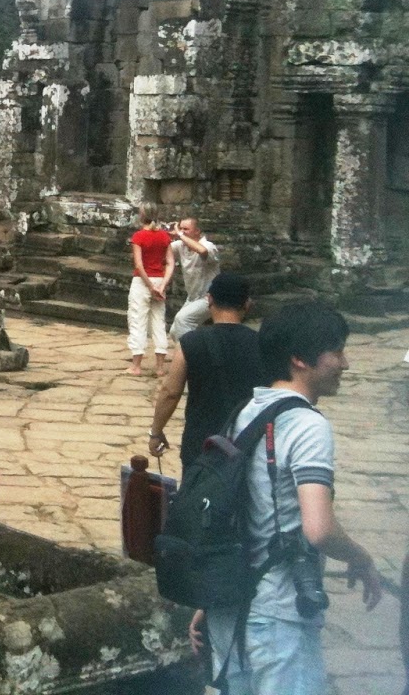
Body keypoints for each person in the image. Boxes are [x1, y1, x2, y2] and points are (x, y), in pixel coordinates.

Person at [195, 301, 383, 695]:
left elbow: (229, 511)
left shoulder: (246, 412)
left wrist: (208, 597)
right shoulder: (307, 425)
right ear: (300, 359)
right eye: (337, 352)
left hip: (231, 607)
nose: (345, 364)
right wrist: (361, 557)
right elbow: (318, 529)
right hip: (279, 611)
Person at [148, 272, 261, 464]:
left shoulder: (191, 342)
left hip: (201, 442)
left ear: (209, 300)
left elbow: (170, 392)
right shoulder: (261, 343)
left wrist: (156, 432)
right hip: (248, 442)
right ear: (247, 304)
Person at [128, 203, 175, 377]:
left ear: (142, 216)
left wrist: (149, 286)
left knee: (137, 321)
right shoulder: (164, 236)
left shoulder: (139, 236)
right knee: (158, 322)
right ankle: (160, 367)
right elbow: (170, 263)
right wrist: (161, 285)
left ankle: (136, 366)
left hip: (142, 282)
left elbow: (139, 265)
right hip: (159, 279)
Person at [166, 217, 223, 341]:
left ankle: (188, 355)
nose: (182, 231)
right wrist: (164, 234)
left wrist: (180, 235)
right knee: (175, 332)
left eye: (186, 229)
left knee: (183, 319)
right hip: (192, 297)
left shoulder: (208, 245)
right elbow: (163, 249)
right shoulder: (180, 245)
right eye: (180, 228)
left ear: (197, 231)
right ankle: (198, 350)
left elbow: (202, 251)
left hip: (210, 297)